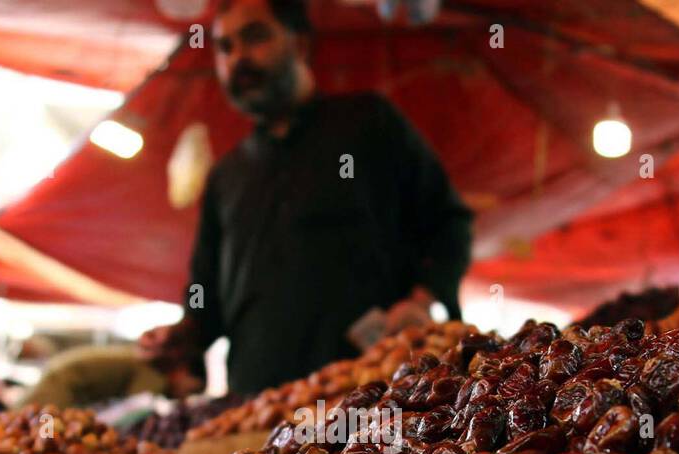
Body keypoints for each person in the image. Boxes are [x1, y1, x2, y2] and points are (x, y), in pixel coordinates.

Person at [140, 0, 472, 395]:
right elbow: (204, 298)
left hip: (373, 404)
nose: (238, 58)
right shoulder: (225, 178)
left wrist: (422, 299)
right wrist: (180, 340)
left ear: (298, 44)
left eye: (255, 37)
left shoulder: (369, 124)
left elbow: (449, 223)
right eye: (224, 47)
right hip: (259, 415)